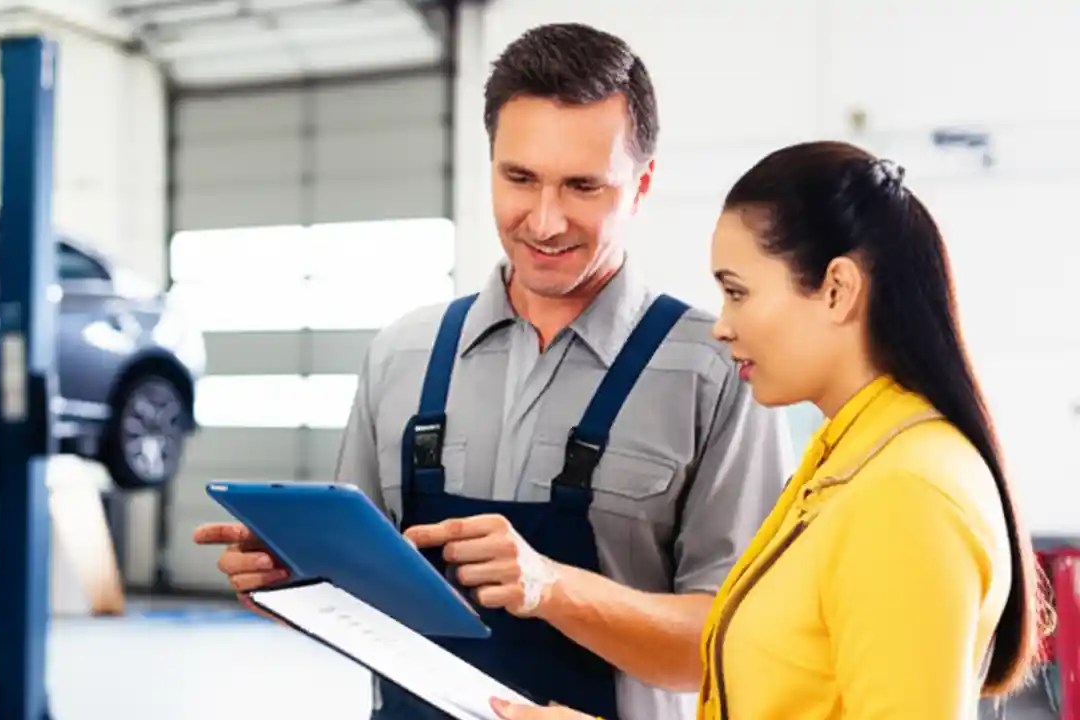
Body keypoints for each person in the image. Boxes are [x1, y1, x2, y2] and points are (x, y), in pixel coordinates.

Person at [193, 22, 791, 720]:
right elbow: (356, 605)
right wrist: (287, 585)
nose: (544, 220)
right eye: (520, 178)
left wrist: (551, 588)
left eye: (582, 187)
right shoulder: (401, 356)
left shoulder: (719, 371)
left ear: (641, 185)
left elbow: (729, 648)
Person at [489, 141, 1051, 720]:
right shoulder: (847, 461)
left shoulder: (905, 492)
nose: (722, 327)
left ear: (837, 289)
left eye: (737, 292)